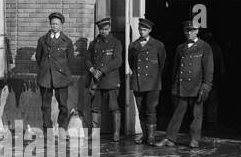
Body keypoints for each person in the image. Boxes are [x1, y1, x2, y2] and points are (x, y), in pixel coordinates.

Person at [164, 21, 215, 148]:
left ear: (197, 31)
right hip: (181, 86)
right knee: (177, 114)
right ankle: (170, 138)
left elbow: (209, 69)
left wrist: (206, 86)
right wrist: (174, 85)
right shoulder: (180, 47)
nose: (189, 33)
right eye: (187, 30)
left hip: (196, 87)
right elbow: (175, 69)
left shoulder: (204, 47)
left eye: (192, 30)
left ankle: (194, 140)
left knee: (196, 115)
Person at [127, 16, 168, 144]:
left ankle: (151, 137)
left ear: (149, 30)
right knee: (141, 110)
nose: (141, 32)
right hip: (138, 82)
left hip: (153, 83)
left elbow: (162, 64)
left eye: (144, 30)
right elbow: (131, 63)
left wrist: (153, 75)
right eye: (140, 29)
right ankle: (145, 135)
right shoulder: (133, 45)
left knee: (151, 109)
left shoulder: (158, 45)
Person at [35, 11, 78, 133]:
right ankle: (47, 130)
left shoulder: (67, 41)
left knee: (63, 105)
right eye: (52, 24)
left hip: (61, 77)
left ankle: (62, 128)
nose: (54, 26)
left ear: (61, 25)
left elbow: (71, 61)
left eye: (57, 24)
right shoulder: (42, 40)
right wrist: (45, 68)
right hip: (46, 77)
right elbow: (39, 57)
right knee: (45, 106)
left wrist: (63, 72)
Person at [88, 16, 123, 139]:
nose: (104, 31)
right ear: (99, 30)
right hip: (96, 81)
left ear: (110, 29)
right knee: (95, 108)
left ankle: (116, 133)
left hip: (110, 80)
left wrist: (102, 71)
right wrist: (92, 69)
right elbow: (87, 59)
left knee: (114, 107)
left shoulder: (116, 43)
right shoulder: (94, 43)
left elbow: (117, 61)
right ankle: (94, 134)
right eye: (102, 29)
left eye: (106, 29)